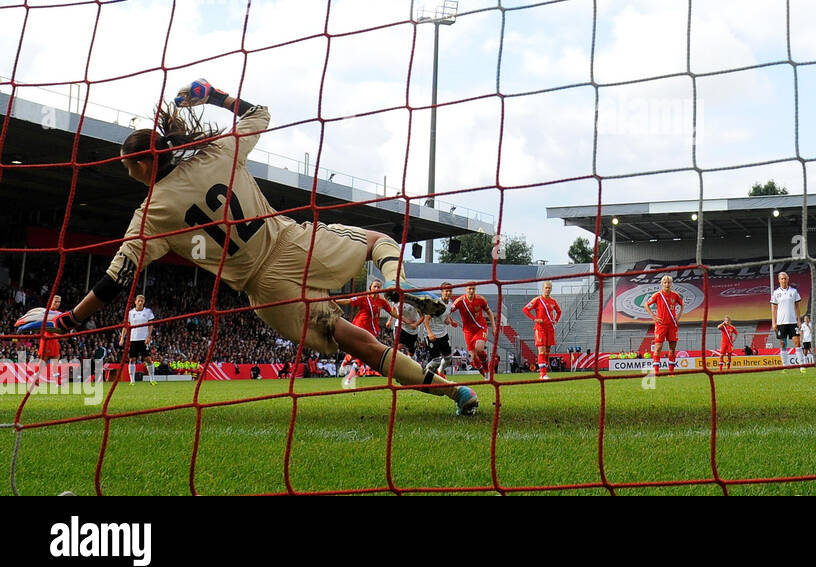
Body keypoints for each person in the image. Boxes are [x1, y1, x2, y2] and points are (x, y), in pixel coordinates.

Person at [20, 78, 476, 415]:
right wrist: (212, 96)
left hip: (266, 294)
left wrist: (68, 319)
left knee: (357, 343)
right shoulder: (217, 152)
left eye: (127, 166)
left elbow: (114, 280)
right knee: (379, 240)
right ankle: (394, 283)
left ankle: (454, 392)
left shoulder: (150, 214)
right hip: (291, 243)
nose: (127, 172)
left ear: (141, 163)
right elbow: (260, 113)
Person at [451, 282, 496, 380]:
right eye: (469, 289)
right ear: (465, 289)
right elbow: (448, 311)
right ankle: (484, 375)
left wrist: (493, 326)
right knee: (474, 358)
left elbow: (489, 312)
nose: (471, 291)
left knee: (479, 349)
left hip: (481, 328)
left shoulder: (480, 299)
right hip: (468, 332)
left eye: (473, 289)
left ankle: (488, 371)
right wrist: (451, 321)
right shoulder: (459, 301)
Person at [523, 280, 561, 380]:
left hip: (550, 329)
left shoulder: (553, 301)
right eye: (546, 288)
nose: (548, 289)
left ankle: (545, 371)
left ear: (551, 289)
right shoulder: (537, 300)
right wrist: (534, 318)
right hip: (540, 329)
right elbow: (525, 309)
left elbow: (559, 311)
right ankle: (542, 374)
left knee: (547, 351)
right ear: (542, 289)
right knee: (542, 350)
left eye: (549, 288)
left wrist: (556, 320)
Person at [646, 275, 683, 376]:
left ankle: (671, 372)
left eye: (669, 283)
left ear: (672, 284)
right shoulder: (657, 295)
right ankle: (656, 372)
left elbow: (682, 304)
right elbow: (646, 304)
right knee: (658, 347)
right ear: (662, 284)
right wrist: (653, 316)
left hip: (672, 325)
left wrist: (678, 315)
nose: (667, 284)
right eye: (665, 283)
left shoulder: (675, 295)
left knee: (672, 348)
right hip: (661, 325)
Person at [422, 282, 457, 377]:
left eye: (450, 291)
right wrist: (429, 333)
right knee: (436, 360)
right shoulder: (436, 304)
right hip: (432, 334)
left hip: (443, 334)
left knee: (448, 358)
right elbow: (426, 319)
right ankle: (423, 372)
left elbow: (446, 314)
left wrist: (451, 321)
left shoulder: (450, 304)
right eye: (446, 291)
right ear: (441, 291)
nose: (448, 293)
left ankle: (440, 372)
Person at [770, 271, 803, 369]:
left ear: (788, 279)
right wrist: (774, 322)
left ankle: (802, 365)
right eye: (782, 279)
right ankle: (785, 366)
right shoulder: (776, 293)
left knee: (797, 342)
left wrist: (799, 320)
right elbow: (774, 309)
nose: (784, 280)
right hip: (781, 322)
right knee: (783, 344)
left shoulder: (793, 291)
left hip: (792, 322)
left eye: (785, 278)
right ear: (779, 280)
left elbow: (797, 307)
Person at [121, 294, 157, 384]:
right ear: (135, 302)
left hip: (144, 339)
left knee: (148, 359)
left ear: (144, 302)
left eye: (142, 301)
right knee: (132, 359)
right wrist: (122, 338)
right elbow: (125, 326)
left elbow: (150, 325)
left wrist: (149, 336)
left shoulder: (148, 311)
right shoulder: (130, 313)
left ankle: (152, 379)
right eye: (139, 301)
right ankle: (132, 381)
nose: (140, 302)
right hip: (133, 339)